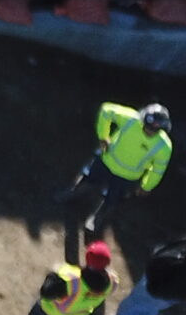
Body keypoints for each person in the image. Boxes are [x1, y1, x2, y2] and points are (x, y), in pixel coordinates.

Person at [63, 100, 173, 238]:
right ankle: (73, 194)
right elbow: (106, 110)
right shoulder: (131, 119)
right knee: (88, 179)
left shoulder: (164, 147)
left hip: (127, 177)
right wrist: (103, 136)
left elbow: (158, 169)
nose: (149, 131)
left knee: (112, 199)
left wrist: (147, 186)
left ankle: (96, 219)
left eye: (154, 129)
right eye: (148, 126)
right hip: (106, 161)